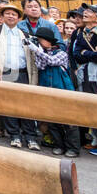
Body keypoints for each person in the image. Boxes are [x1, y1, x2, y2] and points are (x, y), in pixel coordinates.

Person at [0, 0, 40, 150]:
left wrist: (33, 77)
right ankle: (15, 135)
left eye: (13, 14)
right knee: (9, 105)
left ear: (19, 17)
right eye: (7, 13)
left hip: (23, 73)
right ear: (1, 16)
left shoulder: (25, 34)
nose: (10, 16)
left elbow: (32, 57)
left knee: (26, 106)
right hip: (6, 73)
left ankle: (30, 137)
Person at [30, 22, 80, 158]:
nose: (39, 42)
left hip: (64, 91)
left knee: (69, 122)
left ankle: (73, 148)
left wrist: (38, 51)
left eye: (41, 40)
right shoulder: (41, 53)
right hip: (48, 90)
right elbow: (40, 65)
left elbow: (52, 61)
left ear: (49, 41)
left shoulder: (61, 53)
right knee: (52, 121)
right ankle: (59, 145)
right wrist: (39, 52)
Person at [71, 7, 97, 154]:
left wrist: (86, 53)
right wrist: (91, 53)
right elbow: (76, 54)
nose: (86, 13)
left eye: (90, 12)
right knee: (91, 104)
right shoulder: (80, 34)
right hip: (86, 73)